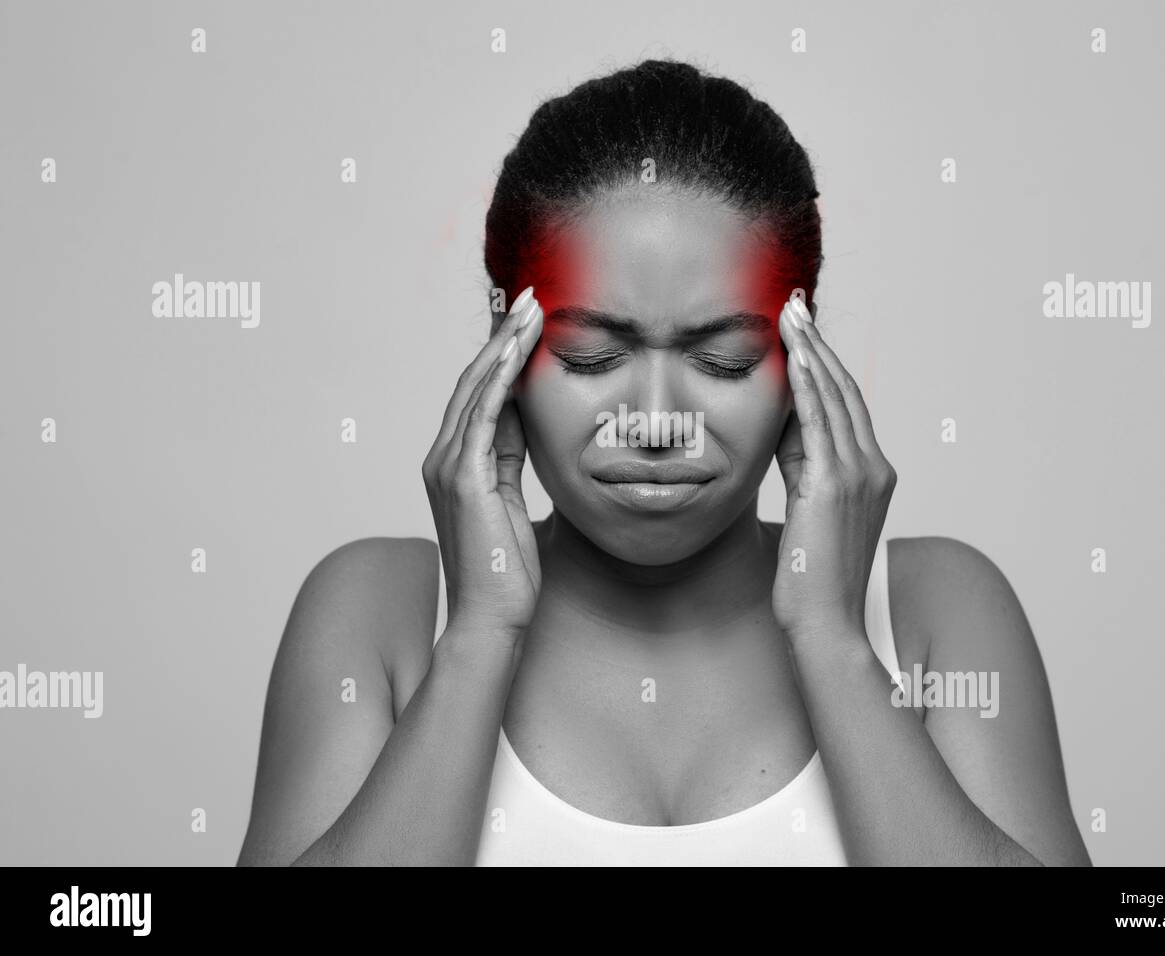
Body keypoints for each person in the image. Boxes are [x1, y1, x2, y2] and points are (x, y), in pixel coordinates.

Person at [236, 59, 1092, 866]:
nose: (656, 425)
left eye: (721, 360)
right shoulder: (378, 613)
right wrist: (476, 637)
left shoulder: (933, 614)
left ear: (801, 357)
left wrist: (833, 641)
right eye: (589, 358)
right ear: (506, 352)